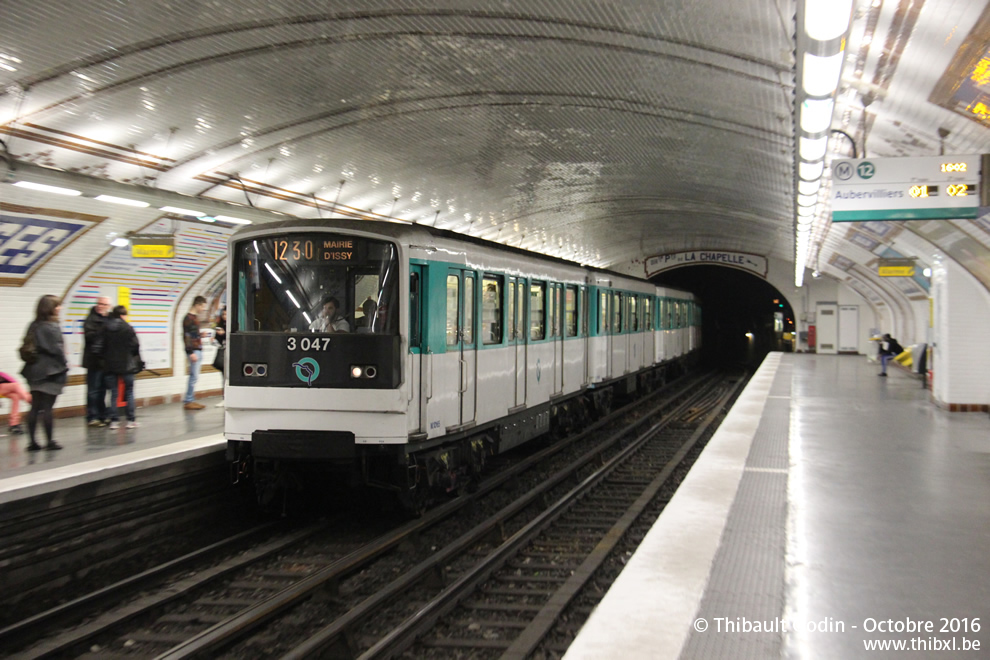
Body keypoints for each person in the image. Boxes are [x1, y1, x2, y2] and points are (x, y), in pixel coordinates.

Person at [20, 295, 67, 451]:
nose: (59, 308)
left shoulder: (33, 325)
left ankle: (32, 442)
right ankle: (50, 442)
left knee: (34, 407)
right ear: (51, 308)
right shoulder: (52, 326)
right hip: (51, 371)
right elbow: (57, 350)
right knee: (47, 407)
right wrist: (65, 364)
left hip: (33, 369)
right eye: (57, 305)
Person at [103, 306, 143, 429]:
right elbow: (135, 345)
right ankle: (131, 420)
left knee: (113, 393)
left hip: (110, 365)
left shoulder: (105, 327)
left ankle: (114, 421)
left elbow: (100, 346)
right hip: (127, 364)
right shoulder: (128, 328)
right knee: (129, 392)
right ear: (122, 315)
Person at [82, 296, 111, 427]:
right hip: (93, 360)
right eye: (99, 303)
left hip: (105, 361)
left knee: (102, 390)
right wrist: (103, 329)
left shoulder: (109, 319)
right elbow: (89, 337)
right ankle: (92, 416)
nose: (101, 306)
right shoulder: (90, 319)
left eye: (104, 304)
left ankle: (102, 414)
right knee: (93, 390)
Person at [182, 295, 207, 410]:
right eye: (202, 307)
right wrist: (190, 352)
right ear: (197, 305)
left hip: (197, 348)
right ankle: (188, 400)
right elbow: (186, 336)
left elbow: (192, 334)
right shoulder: (188, 319)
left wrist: (199, 335)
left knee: (195, 376)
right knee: (193, 376)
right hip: (194, 351)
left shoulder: (194, 318)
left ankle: (190, 398)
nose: (203, 309)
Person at [0, 371, 31, 435]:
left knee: (15, 396)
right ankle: (30, 400)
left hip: (2, 391)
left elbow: (13, 381)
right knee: (15, 386)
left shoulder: (2, 374)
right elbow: (15, 384)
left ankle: (14, 424)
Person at [213, 307, 227, 407]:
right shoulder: (221, 325)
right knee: (224, 376)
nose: (224, 317)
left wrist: (225, 333)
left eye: (226, 315)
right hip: (223, 352)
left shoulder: (234, 324)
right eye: (223, 315)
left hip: (232, 352)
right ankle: (224, 398)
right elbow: (218, 340)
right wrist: (218, 336)